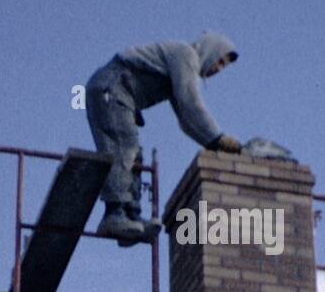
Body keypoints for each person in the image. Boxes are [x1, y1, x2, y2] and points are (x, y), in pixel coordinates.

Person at [85, 31, 242, 246]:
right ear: (211, 50)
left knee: (134, 154)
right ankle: (114, 215)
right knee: (124, 147)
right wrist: (217, 138)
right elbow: (191, 105)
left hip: (119, 94)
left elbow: (187, 120)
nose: (218, 68)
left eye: (224, 66)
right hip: (111, 87)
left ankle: (131, 217)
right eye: (220, 61)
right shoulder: (185, 55)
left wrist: (212, 143)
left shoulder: (183, 67)